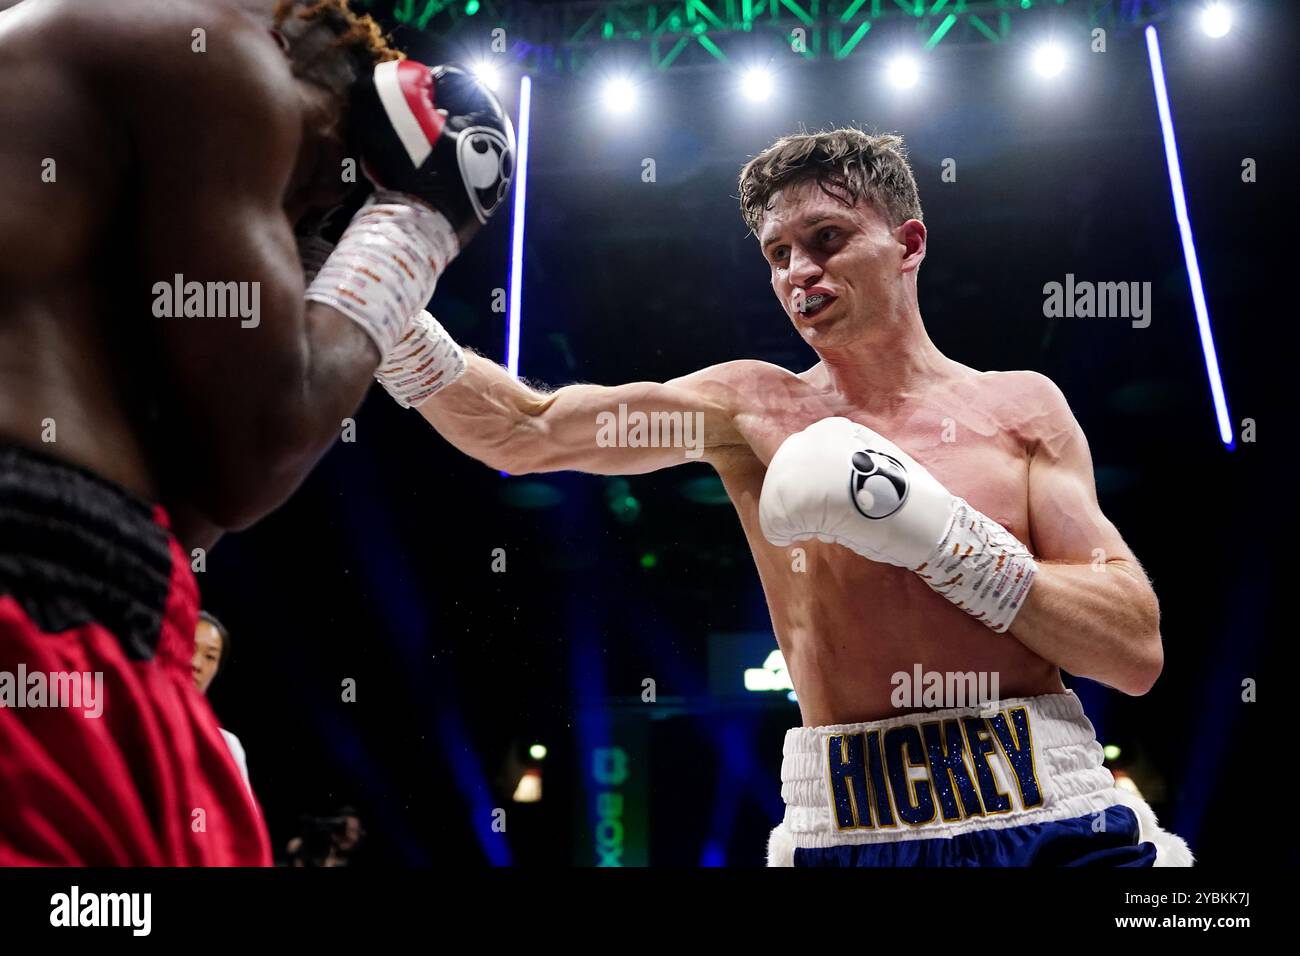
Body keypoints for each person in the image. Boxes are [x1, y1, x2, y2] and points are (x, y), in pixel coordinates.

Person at [376, 128, 1192, 866]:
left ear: (908, 243)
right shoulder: (751, 411)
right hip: (851, 823)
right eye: (778, 255)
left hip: (1051, 809)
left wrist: (950, 543)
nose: (801, 272)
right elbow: (527, 430)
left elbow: (1132, 649)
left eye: (827, 241)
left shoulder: (1021, 409)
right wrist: (381, 312)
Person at [0, 0, 512, 864]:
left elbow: (193, 511)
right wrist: (418, 224)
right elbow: (261, 450)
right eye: (326, 185)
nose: (299, 223)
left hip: (90, 587)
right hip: (43, 592)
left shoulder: (70, 138)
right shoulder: (222, 55)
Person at [192, 611, 251, 792]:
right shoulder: (135, 723)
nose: (196, 664)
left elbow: (241, 820)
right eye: (190, 648)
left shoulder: (227, 746)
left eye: (210, 657)